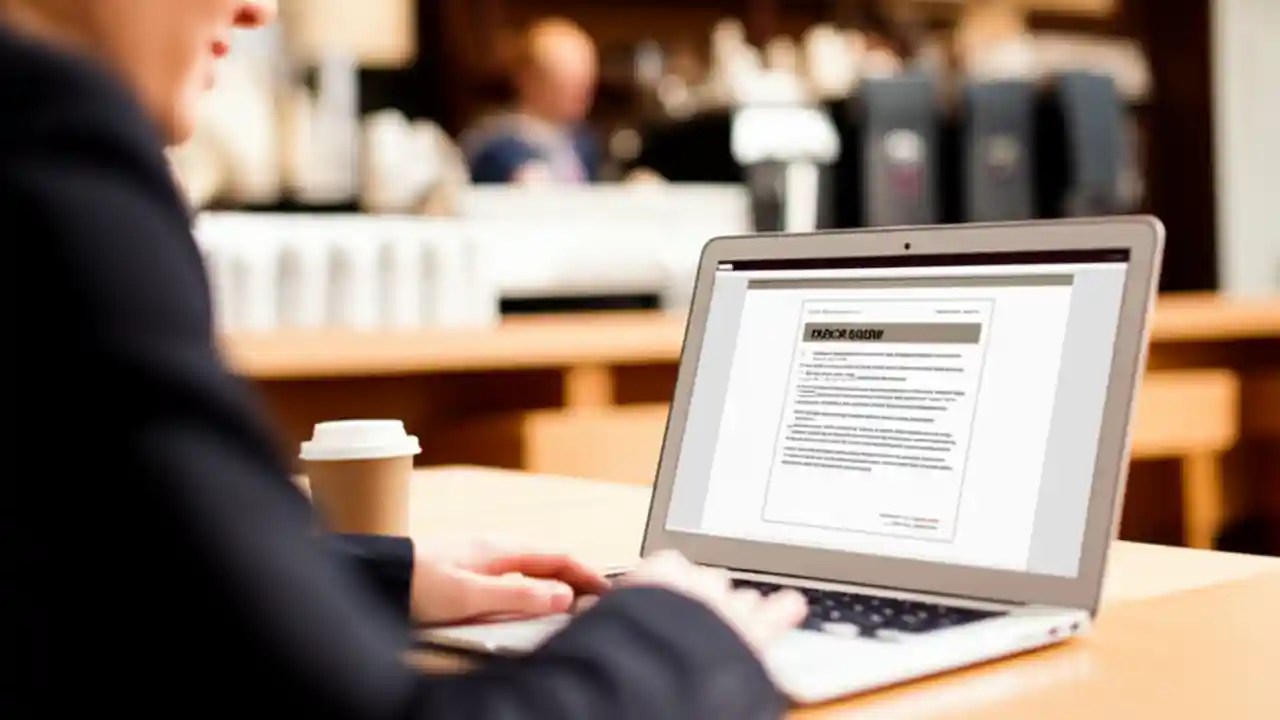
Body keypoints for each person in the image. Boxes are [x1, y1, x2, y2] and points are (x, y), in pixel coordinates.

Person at [4, 1, 807, 717]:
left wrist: (377, 573)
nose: (260, 11)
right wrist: (675, 637)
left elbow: (94, 564)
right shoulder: (44, 152)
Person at [463, 17, 603, 184]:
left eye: (586, 82)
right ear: (528, 79)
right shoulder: (495, 143)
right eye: (566, 82)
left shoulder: (584, 142)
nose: (582, 94)